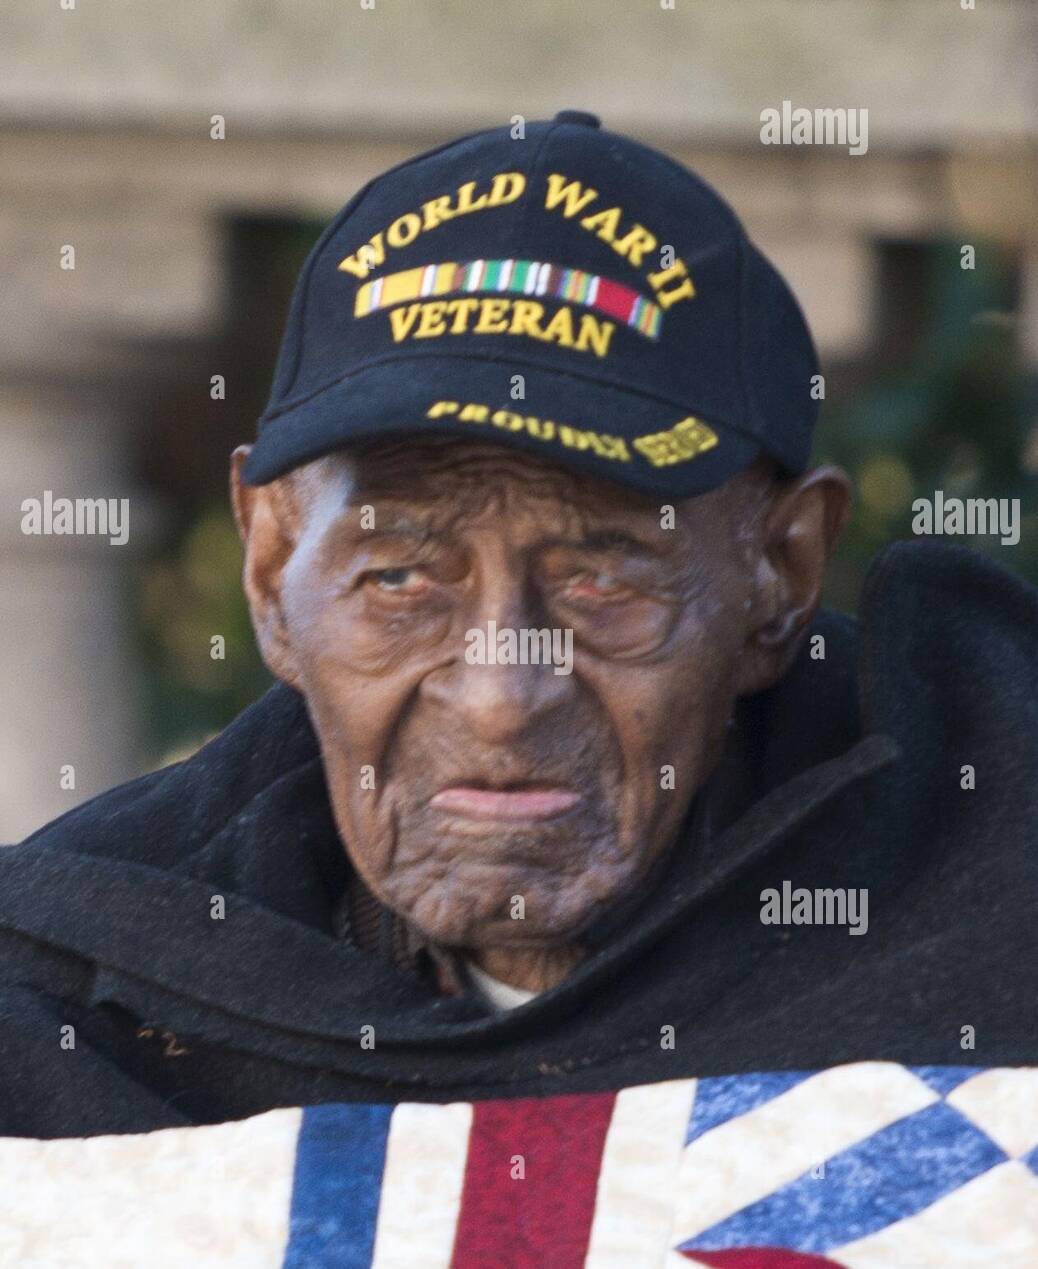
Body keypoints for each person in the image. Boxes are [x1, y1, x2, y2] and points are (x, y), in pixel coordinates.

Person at [0, 112, 1034, 1140]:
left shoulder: (989, 906)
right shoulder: (78, 1007)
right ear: (271, 571)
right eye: (400, 578)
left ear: (780, 570)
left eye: (601, 584)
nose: (500, 700)